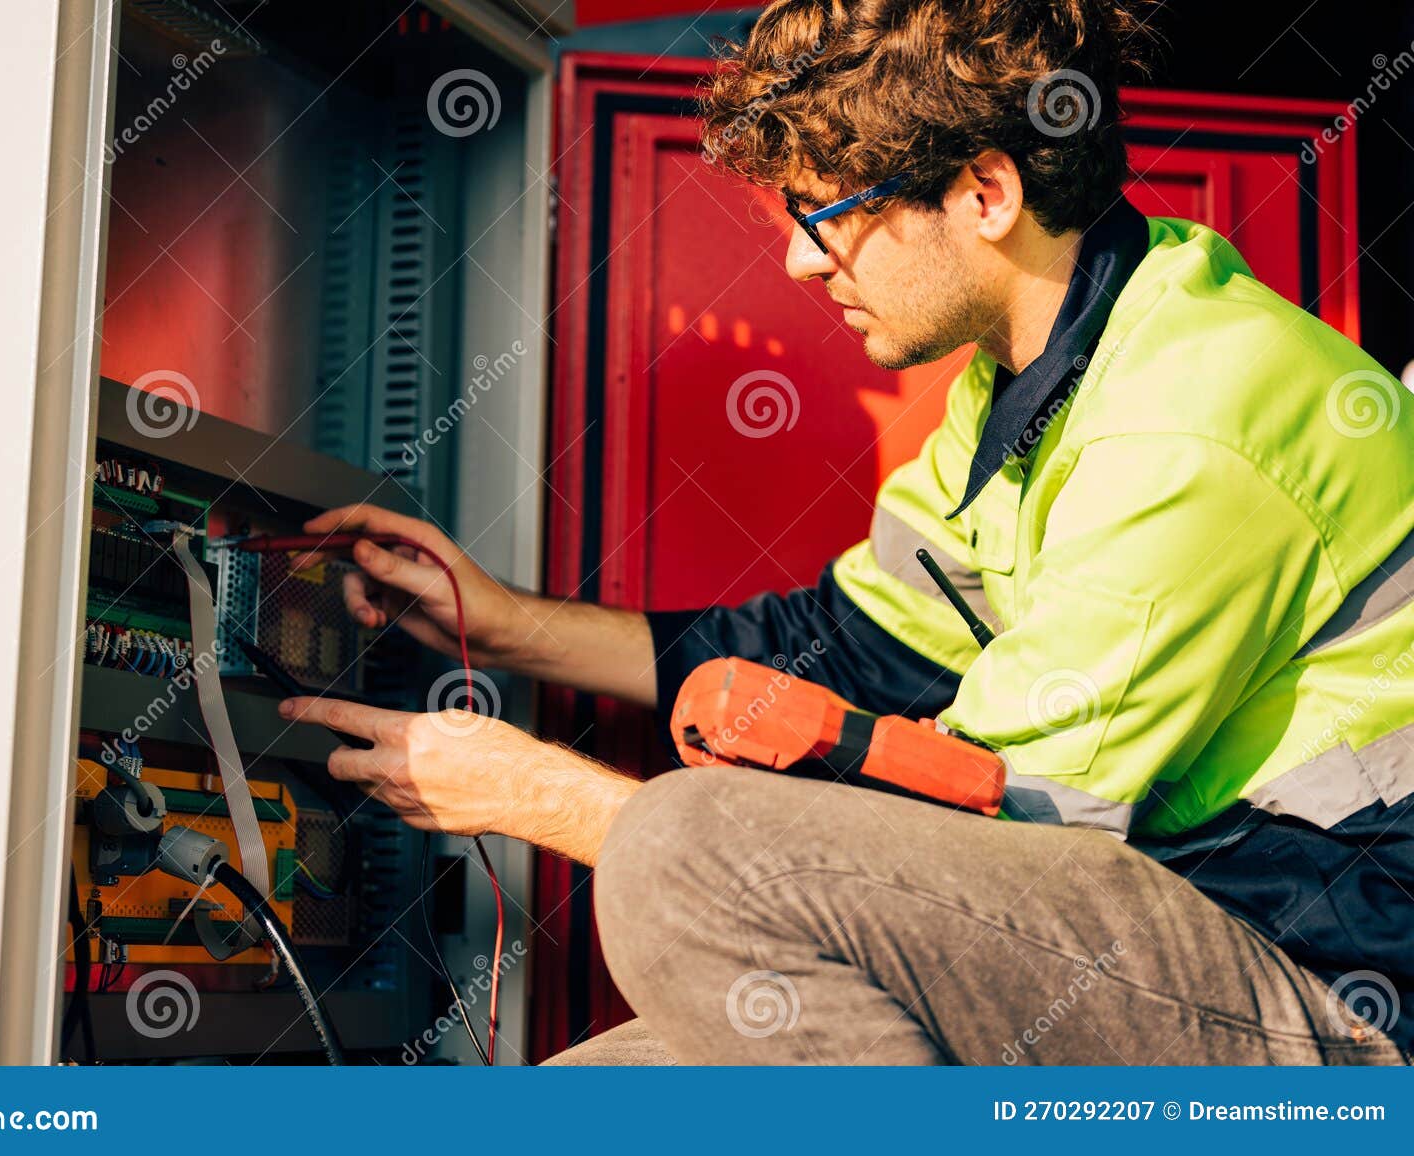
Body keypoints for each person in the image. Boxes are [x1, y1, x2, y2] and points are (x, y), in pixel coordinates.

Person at [279, 0, 1413, 1065]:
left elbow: (998, 829)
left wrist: (546, 797)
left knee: (681, 848)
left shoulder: (1189, 423)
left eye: (827, 216)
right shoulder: (1040, 378)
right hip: (1172, 947)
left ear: (984, 193)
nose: (800, 260)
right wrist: (507, 626)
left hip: (1336, 1006)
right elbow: (848, 643)